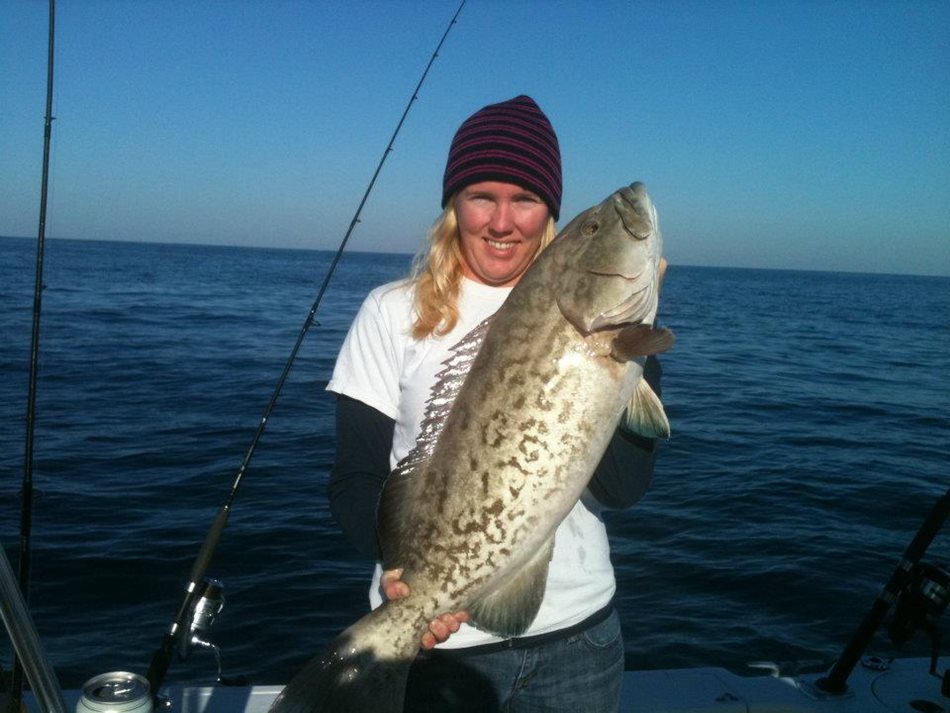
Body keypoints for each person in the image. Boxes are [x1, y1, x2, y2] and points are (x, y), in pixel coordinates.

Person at [326, 95, 664, 712]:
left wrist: (634, 351)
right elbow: (354, 479)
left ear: (549, 214)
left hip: (579, 641)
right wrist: (404, 585)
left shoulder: (603, 328)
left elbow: (622, 489)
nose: (502, 222)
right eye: (483, 195)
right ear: (453, 205)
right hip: (435, 651)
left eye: (526, 199)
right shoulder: (389, 312)